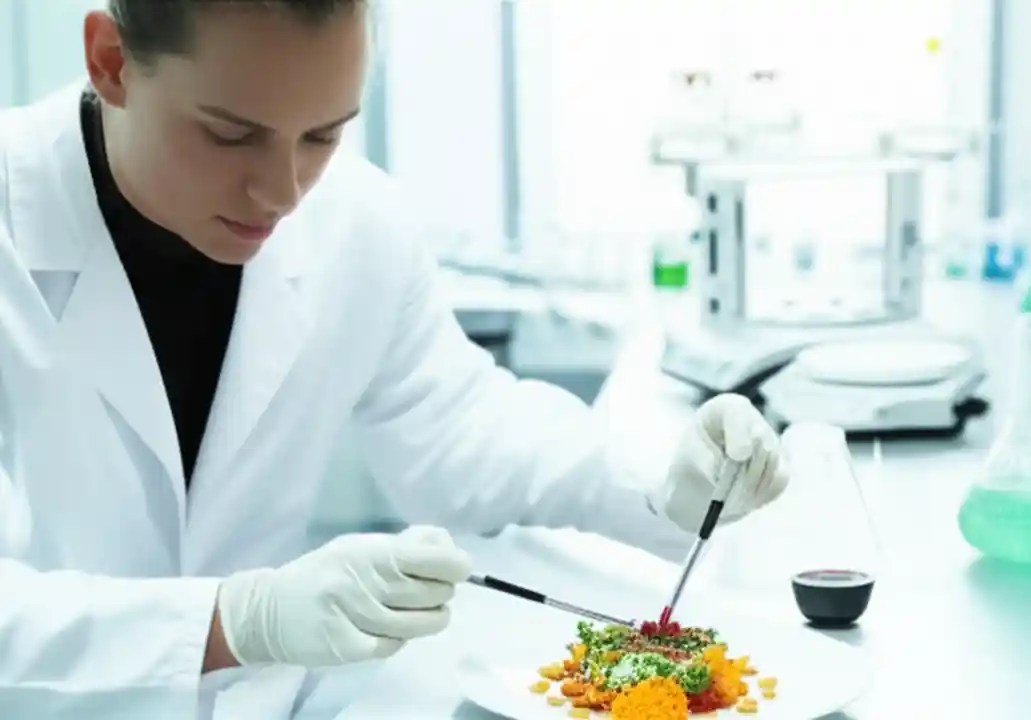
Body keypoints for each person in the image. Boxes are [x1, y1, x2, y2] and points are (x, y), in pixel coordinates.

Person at [0, 0, 789, 713]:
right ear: (110, 61)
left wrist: (665, 487)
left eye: (323, 134)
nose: (281, 192)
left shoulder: (354, 218)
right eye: (230, 134)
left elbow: (461, 429)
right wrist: (233, 620)